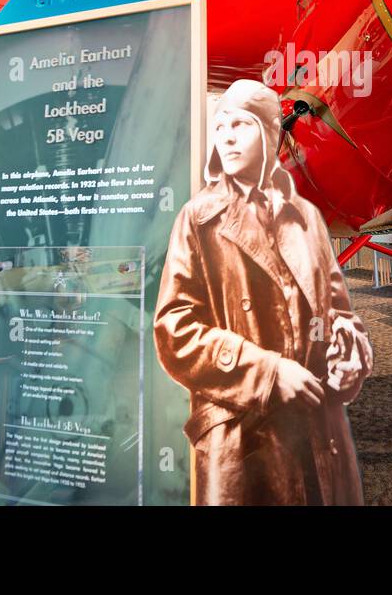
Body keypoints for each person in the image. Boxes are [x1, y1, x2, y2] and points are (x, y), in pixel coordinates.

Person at [154, 79, 372, 505]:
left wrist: (352, 353)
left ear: (270, 133)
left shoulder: (306, 217)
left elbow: (338, 312)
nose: (229, 136)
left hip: (319, 431)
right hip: (241, 437)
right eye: (222, 125)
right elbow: (174, 330)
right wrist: (267, 373)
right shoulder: (198, 219)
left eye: (242, 124)